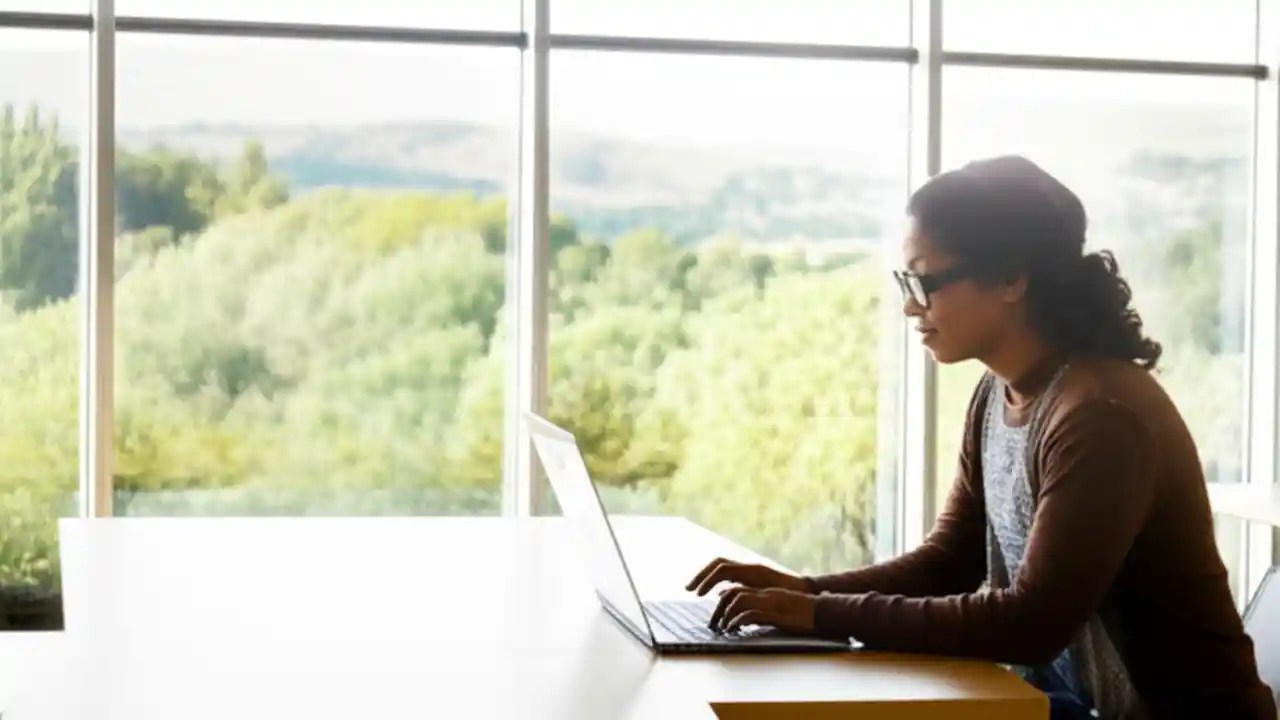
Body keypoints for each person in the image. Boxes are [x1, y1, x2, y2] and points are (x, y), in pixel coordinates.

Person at [686, 156, 1277, 719]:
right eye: (904, 283)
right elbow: (950, 562)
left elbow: (1030, 622)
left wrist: (819, 613)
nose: (910, 308)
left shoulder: (1100, 416)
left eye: (925, 283)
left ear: (1012, 277)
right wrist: (804, 592)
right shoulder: (1000, 391)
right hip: (1073, 708)